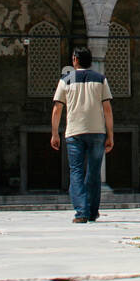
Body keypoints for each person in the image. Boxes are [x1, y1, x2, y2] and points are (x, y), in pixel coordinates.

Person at [50, 46, 114, 224]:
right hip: (97, 132)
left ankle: (81, 212)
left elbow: (57, 108)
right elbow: (107, 110)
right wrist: (111, 135)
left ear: (75, 60)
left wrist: (55, 133)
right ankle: (92, 212)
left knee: (77, 172)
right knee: (94, 173)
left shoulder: (66, 79)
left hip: (74, 133)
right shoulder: (100, 79)